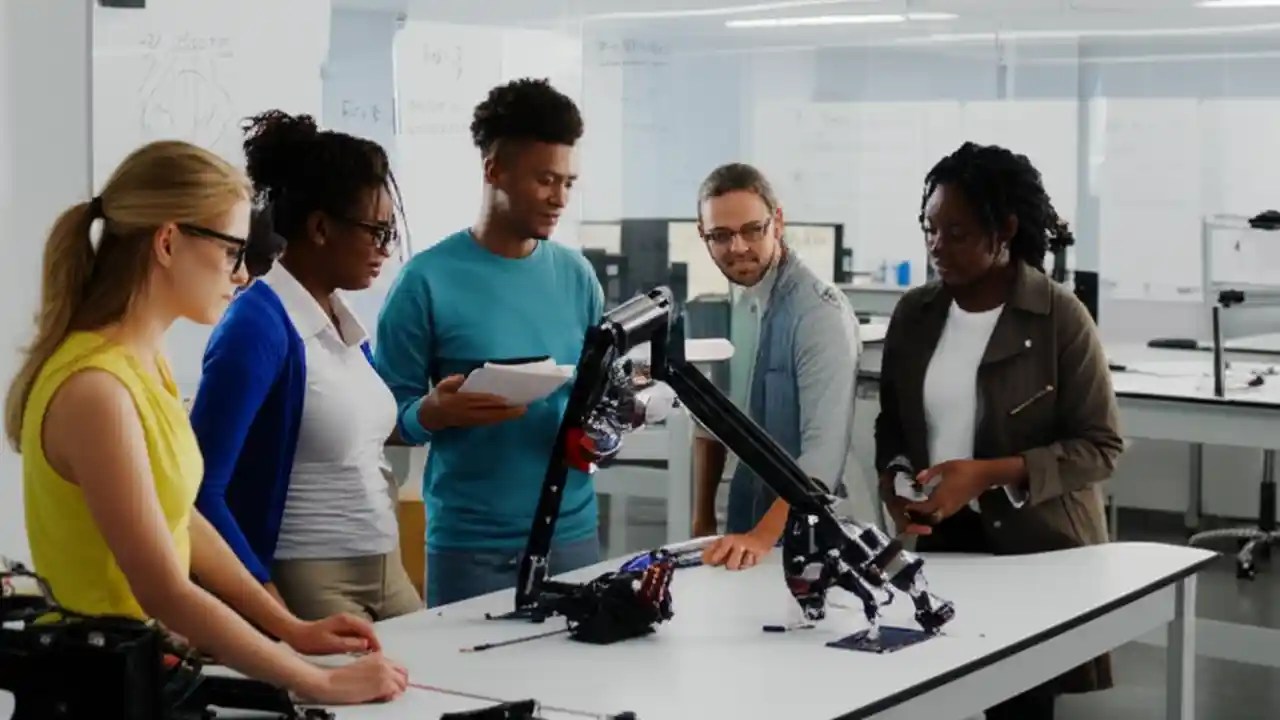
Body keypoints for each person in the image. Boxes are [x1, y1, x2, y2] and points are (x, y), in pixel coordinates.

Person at [4, 140, 408, 704]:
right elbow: (165, 589)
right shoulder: (96, 390)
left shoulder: (147, 362)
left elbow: (183, 519)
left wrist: (288, 626)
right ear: (168, 242)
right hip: (97, 690)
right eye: (230, 253)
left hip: (146, 673)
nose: (241, 275)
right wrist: (315, 681)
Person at [875, 141, 1124, 719]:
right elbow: (893, 425)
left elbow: (1100, 447)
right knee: (935, 698)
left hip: (1035, 551)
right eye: (929, 229)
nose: (937, 246)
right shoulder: (914, 315)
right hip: (944, 543)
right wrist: (894, 481)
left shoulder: (1061, 317)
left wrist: (987, 475)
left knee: (1019, 706)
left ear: (1004, 230)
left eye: (956, 233)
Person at [375, 78, 604, 608]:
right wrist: (431, 414)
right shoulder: (425, 281)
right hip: (472, 550)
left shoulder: (577, 275)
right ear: (493, 170)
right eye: (545, 180)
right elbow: (383, 418)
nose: (559, 198)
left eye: (568, 182)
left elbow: (591, 397)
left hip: (573, 537)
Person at [189, 110, 422, 622]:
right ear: (320, 228)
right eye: (376, 231)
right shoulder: (257, 327)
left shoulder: (340, 320)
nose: (386, 248)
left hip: (385, 566)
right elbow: (200, 490)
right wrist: (264, 596)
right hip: (308, 576)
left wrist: (431, 414)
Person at [688, 163, 870, 570]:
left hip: (812, 539)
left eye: (753, 229)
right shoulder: (731, 302)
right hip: (748, 528)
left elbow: (821, 458)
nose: (737, 247)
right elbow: (711, 424)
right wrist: (701, 519)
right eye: (721, 235)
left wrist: (760, 539)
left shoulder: (818, 313)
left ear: (779, 222)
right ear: (703, 236)